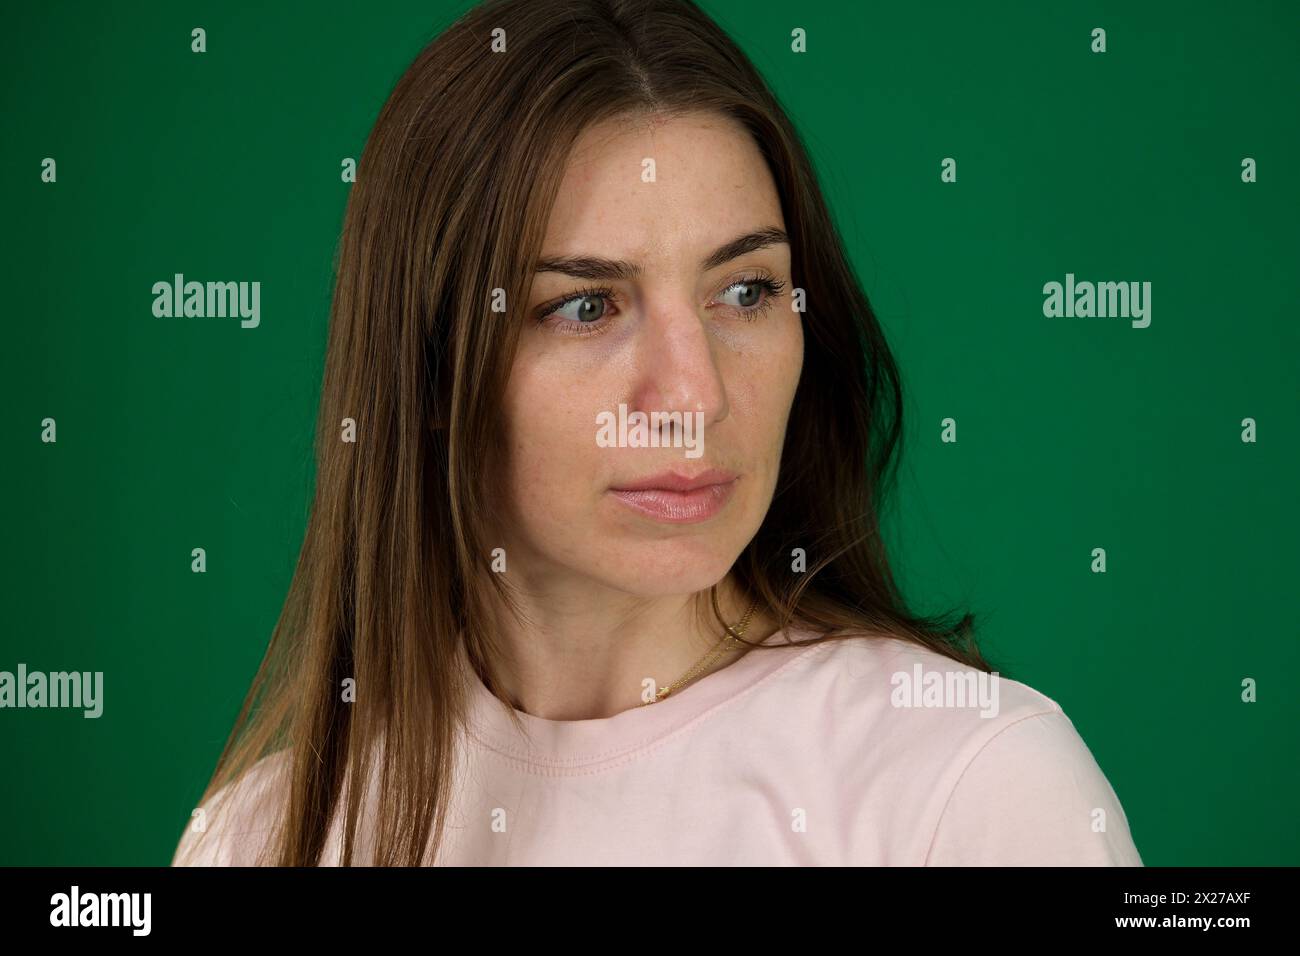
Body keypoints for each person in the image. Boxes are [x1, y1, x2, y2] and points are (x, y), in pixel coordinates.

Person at [172, 0, 1141, 867]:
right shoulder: (260, 838)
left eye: (746, 290)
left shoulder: (974, 786)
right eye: (587, 305)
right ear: (427, 366)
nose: (695, 391)